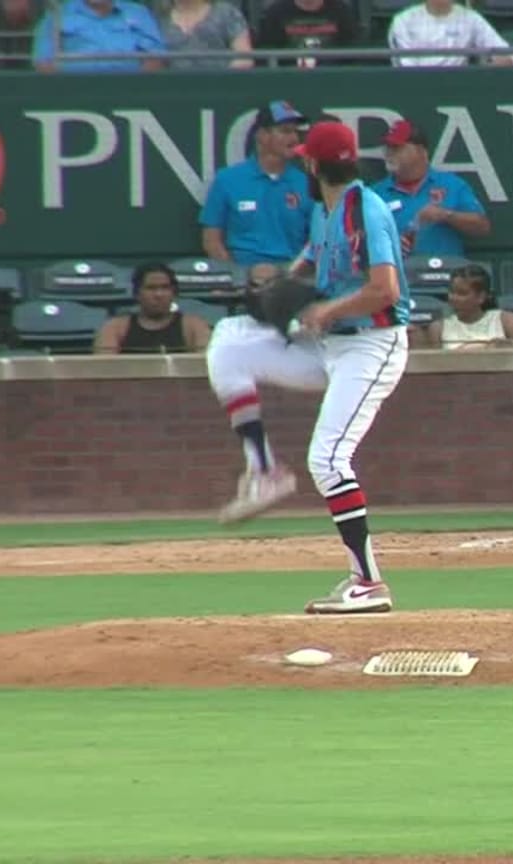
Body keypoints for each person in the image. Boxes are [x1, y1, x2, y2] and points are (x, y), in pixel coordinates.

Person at [205, 120, 411, 615]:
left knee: (328, 459)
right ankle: (263, 470)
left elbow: (386, 291)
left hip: (372, 345)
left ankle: (368, 583)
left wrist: (327, 310)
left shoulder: (365, 208)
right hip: (330, 344)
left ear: (312, 164)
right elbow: (313, 264)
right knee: (229, 342)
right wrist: (274, 289)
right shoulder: (329, 209)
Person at [199, 101, 313, 267]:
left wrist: (292, 274)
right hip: (242, 275)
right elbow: (211, 241)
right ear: (262, 135)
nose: (295, 138)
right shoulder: (227, 180)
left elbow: (317, 242)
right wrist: (237, 276)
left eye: (296, 132)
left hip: (290, 275)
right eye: (286, 131)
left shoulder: (305, 183)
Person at [371, 118, 491, 258]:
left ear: (421, 151)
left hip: (446, 274)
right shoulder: (375, 194)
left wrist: (446, 215)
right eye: (388, 148)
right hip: (398, 276)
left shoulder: (451, 184)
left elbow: (482, 227)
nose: (389, 153)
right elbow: (357, 241)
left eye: (397, 148)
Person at [94, 263, 213, 354]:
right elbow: (104, 369)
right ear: (137, 293)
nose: (159, 294)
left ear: (174, 293)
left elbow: (206, 366)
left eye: (165, 288)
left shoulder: (194, 326)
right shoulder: (115, 328)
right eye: (151, 288)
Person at [425, 264, 513, 350]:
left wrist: (508, 346)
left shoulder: (504, 319)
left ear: (481, 297)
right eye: (451, 292)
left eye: (461, 293)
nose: (453, 297)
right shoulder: (438, 328)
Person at [31, 0, 165, 72]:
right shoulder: (56, 15)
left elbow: (155, 58)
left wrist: (135, 89)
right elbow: (43, 62)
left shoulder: (138, 13)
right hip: (72, 94)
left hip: (132, 94)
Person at [254, 0, 360, 68]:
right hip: (289, 78)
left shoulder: (341, 10)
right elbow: (268, 52)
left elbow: (352, 52)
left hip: (333, 78)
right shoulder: (276, 11)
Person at [155, 0, 253, 69]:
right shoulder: (158, 20)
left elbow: (245, 58)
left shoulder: (227, 13)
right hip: (173, 91)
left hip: (220, 90)